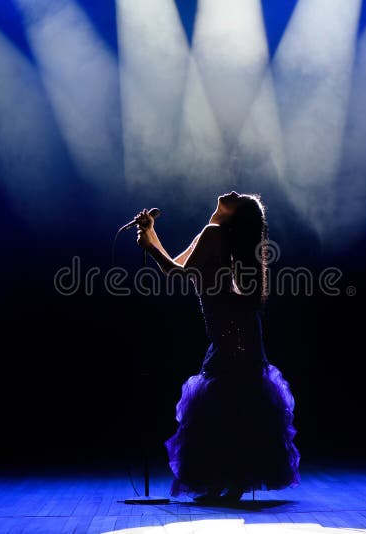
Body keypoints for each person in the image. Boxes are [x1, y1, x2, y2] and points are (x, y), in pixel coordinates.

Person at [135, 191, 300, 503]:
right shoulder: (209, 234)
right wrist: (151, 233)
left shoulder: (214, 234)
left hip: (232, 334)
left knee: (225, 403)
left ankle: (229, 483)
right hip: (237, 334)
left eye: (238, 198)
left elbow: (175, 272)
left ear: (234, 215)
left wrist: (148, 244)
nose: (234, 192)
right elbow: (173, 265)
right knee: (231, 403)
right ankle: (227, 483)